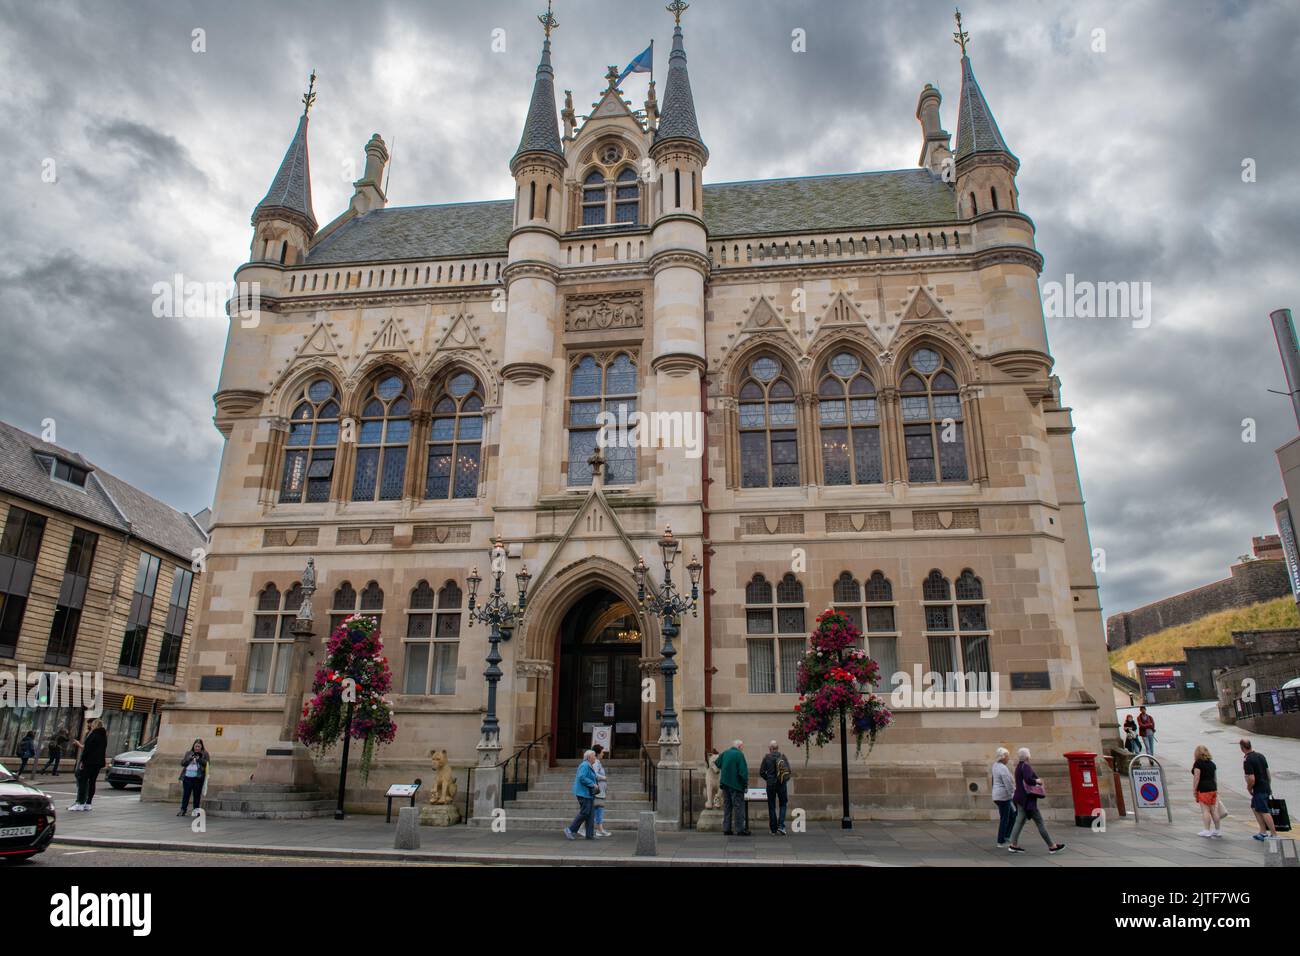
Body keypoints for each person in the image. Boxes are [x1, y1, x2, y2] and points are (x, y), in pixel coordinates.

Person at [1007, 748, 1065, 855]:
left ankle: (1013, 845)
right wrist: (1037, 781)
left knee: (1019, 822)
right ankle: (1052, 846)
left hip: (1019, 798)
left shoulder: (1019, 766)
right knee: (1040, 822)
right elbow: (1029, 780)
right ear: (1028, 756)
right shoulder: (1026, 766)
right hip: (1028, 800)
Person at [1240, 738, 1277, 841]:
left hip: (1258, 788)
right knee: (1255, 807)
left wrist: (1249, 788)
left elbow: (1251, 778)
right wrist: (1269, 786)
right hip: (1265, 786)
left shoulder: (1247, 760)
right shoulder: (1261, 756)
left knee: (1264, 811)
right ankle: (1263, 831)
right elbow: (1268, 773)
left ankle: (1274, 834)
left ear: (1242, 748)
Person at [67, 719, 108, 811]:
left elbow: (87, 750)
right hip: (98, 763)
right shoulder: (103, 736)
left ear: (94, 725)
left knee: (83, 781)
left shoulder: (93, 735)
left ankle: (80, 803)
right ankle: (88, 803)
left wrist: (82, 762)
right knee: (92, 782)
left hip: (89, 762)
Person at [716, 739, 751, 836]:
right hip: (736, 785)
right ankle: (739, 829)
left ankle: (726, 829)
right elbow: (743, 772)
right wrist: (745, 784)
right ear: (739, 747)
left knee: (727, 806)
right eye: (742, 747)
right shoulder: (739, 755)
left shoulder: (725, 753)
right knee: (738, 807)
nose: (742, 749)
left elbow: (717, 764)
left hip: (725, 784)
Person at [563, 749, 599, 841]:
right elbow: (581, 777)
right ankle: (570, 829)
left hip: (588, 793)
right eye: (594, 755)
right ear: (589, 757)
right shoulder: (584, 765)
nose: (595, 757)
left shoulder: (588, 765)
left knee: (590, 813)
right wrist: (592, 784)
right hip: (583, 793)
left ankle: (589, 834)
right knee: (585, 812)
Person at [758, 740, 791, 835]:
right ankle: (781, 826)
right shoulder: (783, 757)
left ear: (770, 748)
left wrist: (768, 779)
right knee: (783, 804)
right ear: (777, 748)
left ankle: (773, 829)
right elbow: (788, 771)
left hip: (771, 784)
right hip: (781, 784)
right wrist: (784, 780)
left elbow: (761, 772)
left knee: (771, 806)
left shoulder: (766, 758)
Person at [1191, 744, 1221, 838]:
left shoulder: (1198, 763)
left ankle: (1207, 830)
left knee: (1205, 811)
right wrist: (1216, 789)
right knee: (1213, 810)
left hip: (1203, 789)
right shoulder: (1212, 764)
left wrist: (1194, 789)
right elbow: (1215, 778)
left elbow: (1197, 777)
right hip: (1213, 789)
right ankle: (1217, 830)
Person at [991, 747, 1016, 847]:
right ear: (1003, 757)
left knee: (1012, 815)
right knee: (1005, 818)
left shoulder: (995, 765)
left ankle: (1006, 837)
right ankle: (1001, 841)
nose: (1008, 758)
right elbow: (1008, 783)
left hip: (998, 795)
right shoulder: (1002, 768)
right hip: (1003, 796)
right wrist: (1013, 794)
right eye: (1007, 756)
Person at [178, 739, 209, 816]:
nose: (197, 748)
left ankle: (196, 810)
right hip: (187, 777)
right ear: (193, 746)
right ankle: (183, 810)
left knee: (197, 795)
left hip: (198, 777)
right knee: (186, 794)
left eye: (199, 746)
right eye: (196, 746)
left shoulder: (205, 753)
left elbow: (207, 764)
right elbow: (183, 763)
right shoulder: (189, 753)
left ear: (201, 747)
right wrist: (190, 758)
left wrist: (199, 759)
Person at [590, 743, 612, 838]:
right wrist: (604, 778)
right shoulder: (596, 763)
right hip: (598, 791)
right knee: (598, 809)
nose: (603, 754)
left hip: (600, 790)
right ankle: (599, 829)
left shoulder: (598, 762)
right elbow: (594, 775)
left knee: (598, 809)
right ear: (598, 753)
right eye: (602, 752)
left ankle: (599, 829)